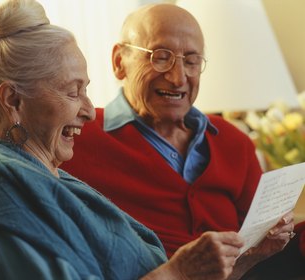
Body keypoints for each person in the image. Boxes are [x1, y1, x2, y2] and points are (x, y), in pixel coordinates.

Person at [0, 1, 258, 279]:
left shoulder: (53, 177)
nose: (90, 112)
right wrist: (179, 273)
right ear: (13, 100)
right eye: (73, 92)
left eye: (191, 61)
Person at [59, 3, 302, 278]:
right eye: (160, 57)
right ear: (119, 62)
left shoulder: (235, 142)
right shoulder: (76, 136)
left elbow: (259, 245)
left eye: (191, 61)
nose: (178, 78)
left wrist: (275, 235)